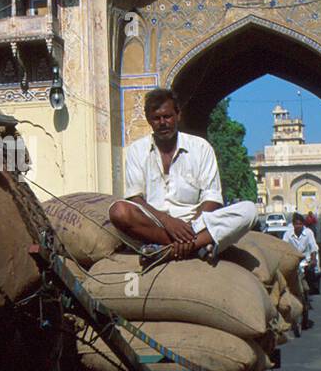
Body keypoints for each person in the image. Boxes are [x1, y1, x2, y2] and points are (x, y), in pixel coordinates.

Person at [109, 88, 257, 261]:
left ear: (178, 115)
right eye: (156, 118)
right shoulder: (137, 150)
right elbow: (135, 198)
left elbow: (212, 197)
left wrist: (189, 228)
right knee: (118, 211)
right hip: (155, 224)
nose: (163, 122)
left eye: (168, 116)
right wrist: (167, 221)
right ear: (149, 120)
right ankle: (197, 246)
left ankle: (169, 250)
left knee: (249, 210)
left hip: (196, 223)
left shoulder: (201, 148)